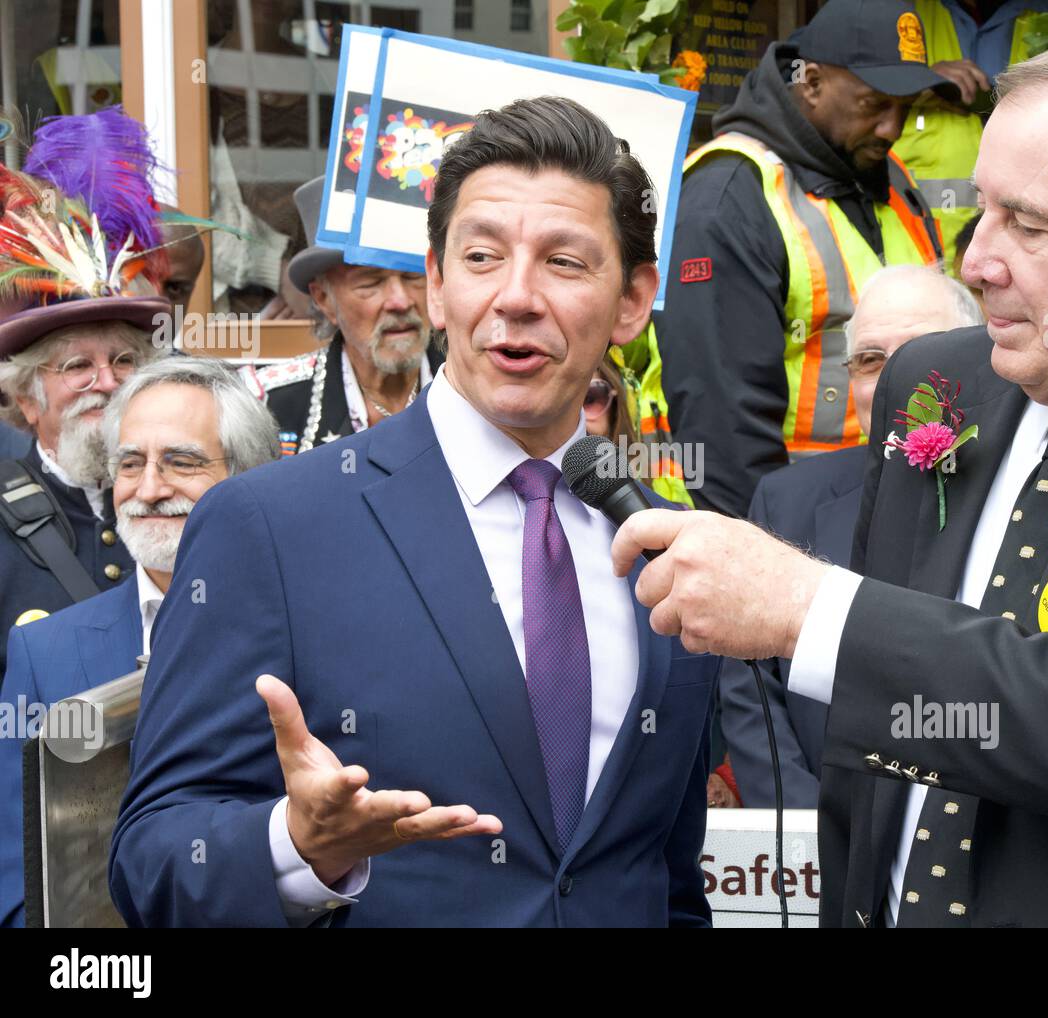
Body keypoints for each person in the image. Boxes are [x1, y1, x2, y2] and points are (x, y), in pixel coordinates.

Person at [612, 26, 1048, 927]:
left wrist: (811, 610)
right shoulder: (932, 384)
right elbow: (876, 733)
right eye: (982, 209)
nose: (975, 262)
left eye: (1031, 224)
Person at [110, 96, 719, 928]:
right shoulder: (272, 528)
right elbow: (152, 858)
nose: (516, 297)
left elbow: (667, 881)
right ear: (437, 284)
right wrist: (300, 847)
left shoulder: (664, 549)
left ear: (633, 300)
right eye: (481, 257)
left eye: (564, 262)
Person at [633, 0, 958, 518]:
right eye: (874, 104)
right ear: (812, 84)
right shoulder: (728, 198)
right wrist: (766, 554)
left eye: (906, 106)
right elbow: (723, 431)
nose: (891, 128)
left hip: (881, 520)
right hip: (773, 533)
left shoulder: (889, 178)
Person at [0, 357, 280, 928]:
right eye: (130, 464)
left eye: (182, 461)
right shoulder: (44, 651)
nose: (149, 490)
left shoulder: (312, 625)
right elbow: (17, 879)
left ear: (249, 474)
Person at [720, 266, 982, 807]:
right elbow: (752, 686)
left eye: (921, 351)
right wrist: (810, 832)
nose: (892, 379)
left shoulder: (1025, 488)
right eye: (870, 360)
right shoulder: (786, 501)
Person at [0, 109, 173, 677]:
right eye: (78, 365)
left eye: (124, 360)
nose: (107, 381)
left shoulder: (194, 502)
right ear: (28, 397)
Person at [242, 176, 444, 454]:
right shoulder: (264, 403)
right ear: (324, 299)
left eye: (413, 276)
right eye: (371, 283)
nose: (400, 301)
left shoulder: (477, 389)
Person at [892, 0, 1048, 270]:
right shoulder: (900, 11)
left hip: (1028, 268)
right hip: (918, 270)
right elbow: (844, 93)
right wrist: (915, 82)